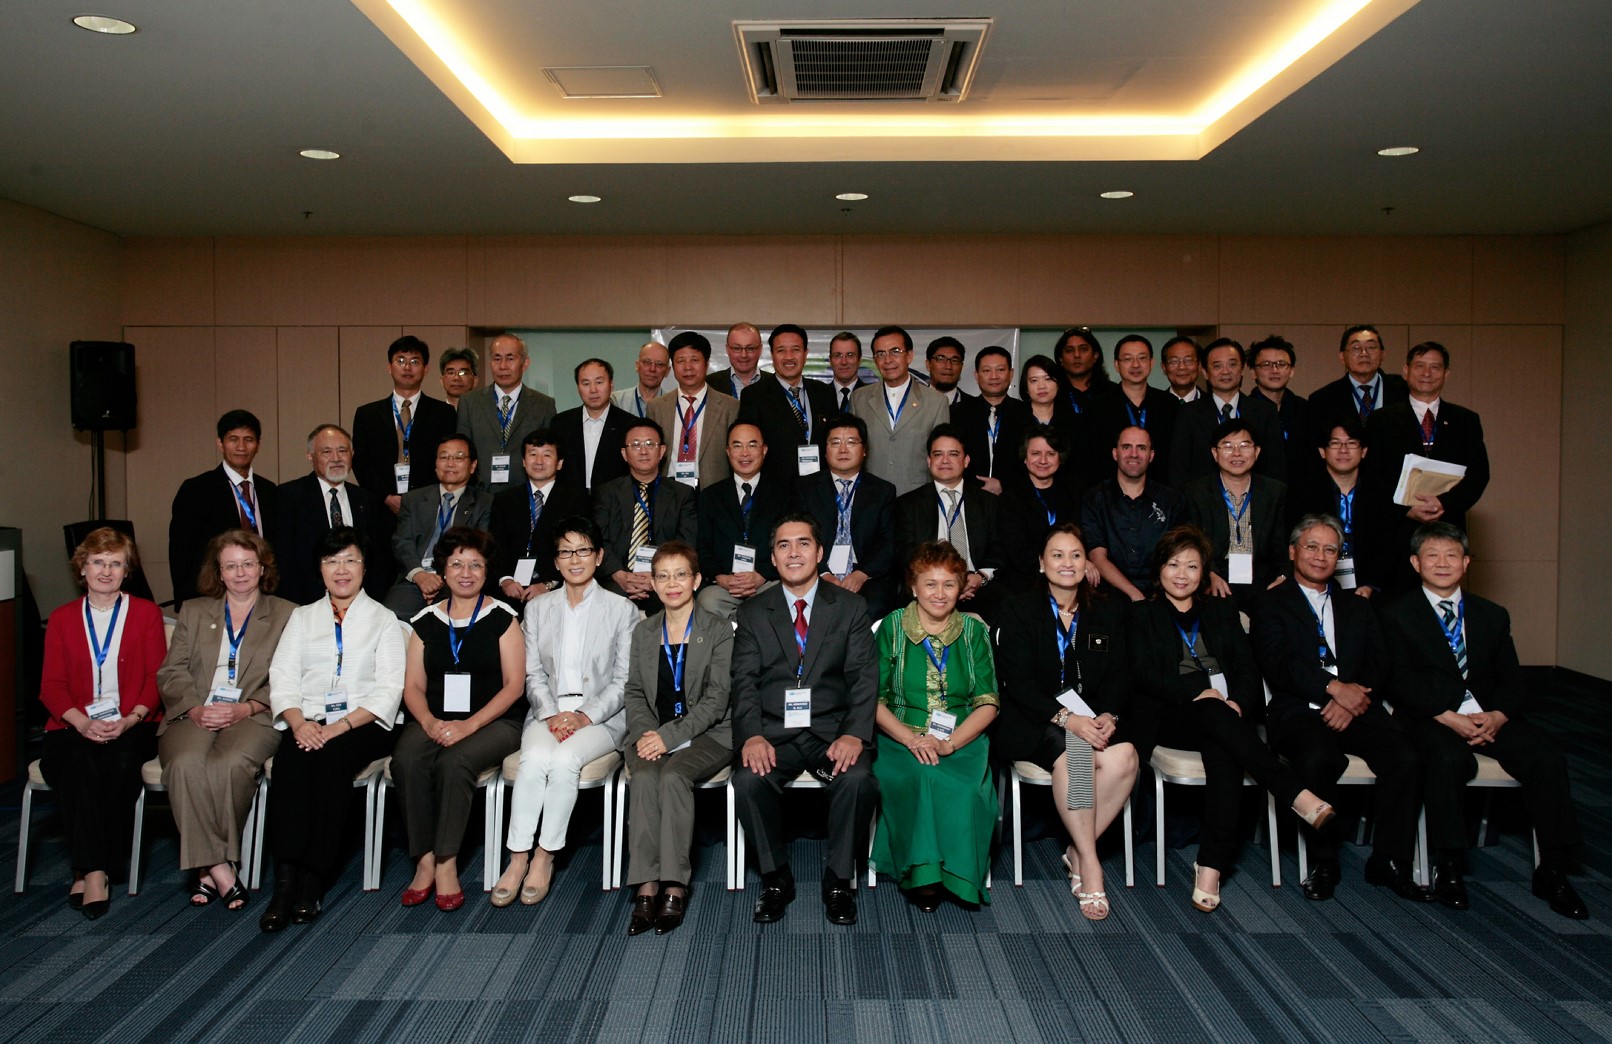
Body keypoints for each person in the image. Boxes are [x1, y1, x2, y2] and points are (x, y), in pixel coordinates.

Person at [1378, 523, 1587, 919]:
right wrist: (1446, 716)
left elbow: (1512, 679)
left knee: (1546, 760)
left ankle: (1554, 868)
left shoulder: (1492, 615)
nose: (1442, 563)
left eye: (1452, 555)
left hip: (1490, 717)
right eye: (1432, 555)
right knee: (1448, 761)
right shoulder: (1395, 615)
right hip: (1431, 717)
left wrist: (1498, 715)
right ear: (1415, 562)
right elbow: (1396, 678)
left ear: (1467, 562)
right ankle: (1450, 864)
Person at [1128, 525, 1335, 912]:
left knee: (1223, 751)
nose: (1181, 573)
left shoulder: (1222, 611)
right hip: (1171, 715)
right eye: (1173, 564)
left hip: (1225, 716)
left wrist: (1239, 701)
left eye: (1192, 566)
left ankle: (1211, 866)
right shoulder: (1141, 614)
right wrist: (1197, 693)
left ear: (1204, 573)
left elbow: (1246, 667)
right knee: (1212, 712)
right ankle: (1291, 790)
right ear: (1159, 569)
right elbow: (1142, 674)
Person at [1251, 515, 1431, 903]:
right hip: (1298, 709)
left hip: (1356, 706)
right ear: (1293, 550)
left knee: (1406, 757)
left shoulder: (1357, 605)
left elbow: (1379, 662)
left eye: (1330, 549)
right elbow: (1277, 662)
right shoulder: (1271, 603)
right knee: (1318, 758)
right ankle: (1323, 861)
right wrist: (1332, 688)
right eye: (1312, 547)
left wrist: (1351, 701)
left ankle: (1390, 859)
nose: (1320, 556)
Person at [731, 515, 879, 926]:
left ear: (819, 552)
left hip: (832, 730)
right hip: (773, 731)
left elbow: (864, 678)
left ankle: (837, 881)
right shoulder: (754, 611)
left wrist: (853, 734)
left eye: (802, 544)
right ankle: (776, 878)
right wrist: (752, 736)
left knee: (857, 779)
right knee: (747, 780)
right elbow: (743, 681)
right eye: (783, 545)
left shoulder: (850, 607)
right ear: (773, 558)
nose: (793, 552)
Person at [261, 527, 404, 931]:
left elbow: (389, 688)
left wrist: (339, 726)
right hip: (307, 720)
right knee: (291, 762)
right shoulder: (302, 618)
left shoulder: (384, 619)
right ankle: (284, 881)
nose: (341, 570)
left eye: (350, 560)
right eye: (331, 561)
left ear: (364, 566)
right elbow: (282, 676)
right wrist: (298, 722)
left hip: (363, 723)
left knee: (329, 763)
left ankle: (312, 879)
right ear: (320, 569)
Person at [993, 524, 1138, 920]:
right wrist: (1067, 719)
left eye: (1075, 555)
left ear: (1086, 563)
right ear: (1041, 563)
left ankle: (1075, 848)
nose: (1067, 563)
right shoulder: (1018, 608)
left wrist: (1109, 714)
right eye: (1057, 555)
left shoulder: (1106, 610)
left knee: (1125, 757)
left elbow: (1122, 673)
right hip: (1029, 719)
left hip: (1090, 718)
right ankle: (1090, 865)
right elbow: (1016, 682)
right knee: (1076, 752)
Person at [493, 517, 639, 905]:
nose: (575, 559)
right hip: (550, 710)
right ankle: (517, 856)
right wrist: (551, 711)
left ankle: (544, 856)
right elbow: (532, 672)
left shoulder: (621, 609)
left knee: (564, 761)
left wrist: (584, 716)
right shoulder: (539, 609)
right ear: (555, 562)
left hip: (602, 717)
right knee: (536, 756)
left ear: (600, 556)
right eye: (566, 552)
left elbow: (625, 680)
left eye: (584, 550)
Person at [157, 530, 293, 912]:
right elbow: (171, 672)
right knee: (185, 764)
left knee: (229, 764)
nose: (240, 573)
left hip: (254, 713)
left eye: (248, 564)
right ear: (217, 572)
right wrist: (195, 708)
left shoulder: (287, 613)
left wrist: (246, 708)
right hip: (194, 711)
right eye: (230, 566)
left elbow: (291, 676)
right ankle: (220, 865)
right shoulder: (194, 610)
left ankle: (207, 869)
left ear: (262, 567)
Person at [38, 527, 165, 920]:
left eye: (115, 563)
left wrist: (129, 720)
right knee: (76, 763)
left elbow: (155, 678)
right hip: (72, 723)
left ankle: (86, 867)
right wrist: (81, 722)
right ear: (83, 568)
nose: (106, 571)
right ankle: (96, 869)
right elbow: (51, 686)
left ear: (127, 571)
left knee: (120, 764)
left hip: (134, 722)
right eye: (98, 562)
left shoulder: (146, 613)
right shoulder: (62, 619)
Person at [395, 527, 525, 911]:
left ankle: (446, 862)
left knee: (455, 762)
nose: (465, 572)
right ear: (444, 570)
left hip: (494, 722)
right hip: (434, 717)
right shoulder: (425, 621)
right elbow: (413, 687)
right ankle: (423, 860)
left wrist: (469, 726)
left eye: (475, 565)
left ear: (486, 572)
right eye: (456, 564)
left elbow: (514, 687)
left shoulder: (504, 618)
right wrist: (430, 723)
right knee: (406, 759)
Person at [870, 541, 998, 910]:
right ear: (913, 587)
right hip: (899, 733)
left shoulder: (974, 632)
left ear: (961, 589)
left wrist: (950, 744)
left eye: (948, 584)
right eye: (930, 584)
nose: (939, 594)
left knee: (965, 789)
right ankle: (924, 876)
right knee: (923, 776)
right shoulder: (892, 628)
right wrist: (912, 739)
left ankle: (959, 875)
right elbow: (872, 701)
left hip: (961, 736)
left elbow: (988, 702)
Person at [621, 542, 734, 935]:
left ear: (697, 580)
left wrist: (668, 738)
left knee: (672, 777)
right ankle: (646, 885)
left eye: (681, 574)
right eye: (663, 576)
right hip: (649, 733)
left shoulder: (718, 630)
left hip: (708, 735)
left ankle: (674, 884)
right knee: (647, 777)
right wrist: (645, 735)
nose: (672, 584)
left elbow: (718, 699)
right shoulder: (644, 630)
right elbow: (634, 691)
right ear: (652, 583)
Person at [1363, 341, 1490, 594]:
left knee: (1442, 605)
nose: (1427, 373)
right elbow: (1371, 477)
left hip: (1448, 529)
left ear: (1446, 374)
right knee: (1398, 608)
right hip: (1396, 532)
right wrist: (1405, 510)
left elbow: (1479, 474)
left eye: (1435, 367)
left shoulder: (1466, 420)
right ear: (1406, 371)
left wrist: (1445, 504)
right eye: (1419, 366)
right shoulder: (1382, 420)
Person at [893, 424, 1004, 622]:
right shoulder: (908, 504)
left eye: (953, 454)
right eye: (938, 454)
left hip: (977, 585)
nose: (945, 460)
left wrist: (980, 577)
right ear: (929, 461)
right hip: (928, 587)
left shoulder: (988, 502)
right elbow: (904, 552)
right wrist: (941, 584)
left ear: (966, 460)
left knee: (1008, 610)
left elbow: (999, 547)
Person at [168, 409, 277, 608]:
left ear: (258, 445)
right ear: (220, 443)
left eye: (249, 439)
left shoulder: (270, 491)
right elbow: (181, 553)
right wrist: (186, 603)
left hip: (264, 597)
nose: (241, 447)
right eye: (233, 439)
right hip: (213, 598)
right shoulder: (196, 490)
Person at [796, 415, 900, 619]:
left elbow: (888, 542)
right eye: (835, 443)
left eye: (851, 442)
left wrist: (861, 574)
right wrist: (823, 572)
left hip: (867, 575)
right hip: (816, 572)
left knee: (873, 607)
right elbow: (800, 537)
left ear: (864, 450)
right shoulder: (805, 488)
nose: (843, 449)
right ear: (825, 451)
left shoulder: (882, 491)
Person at [273, 424, 390, 605]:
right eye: (326, 452)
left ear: (352, 454)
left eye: (342, 451)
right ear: (310, 456)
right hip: (304, 604)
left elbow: (378, 560)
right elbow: (283, 558)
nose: (336, 458)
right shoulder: (289, 496)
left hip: (360, 604)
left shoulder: (366, 500)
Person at [1182, 420, 1289, 615]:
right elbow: (1192, 543)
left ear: (1256, 452)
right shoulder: (1195, 492)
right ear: (1215, 453)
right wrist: (1209, 573)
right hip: (1215, 575)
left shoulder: (1274, 492)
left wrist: (1282, 576)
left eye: (1244, 446)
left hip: (1260, 577)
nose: (1237, 454)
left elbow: (1280, 545)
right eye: (1228, 446)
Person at [383, 433, 493, 619]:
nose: (450, 463)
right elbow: (402, 541)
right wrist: (420, 575)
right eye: (444, 457)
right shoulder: (413, 499)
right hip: (414, 580)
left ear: (472, 465)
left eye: (459, 457)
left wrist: (444, 577)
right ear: (435, 464)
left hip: (458, 581)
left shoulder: (485, 503)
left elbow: (480, 549)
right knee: (390, 619)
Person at [592, 418, 698, 609]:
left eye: (650, 444)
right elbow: (598, 540)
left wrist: (659, 576)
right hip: (617, 579)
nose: (643, 451)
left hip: (667, 578)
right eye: (635, 445)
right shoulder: (607, 493)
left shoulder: (682, 494)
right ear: (624, 454)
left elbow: (686, 543)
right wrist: (619, 575)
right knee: (609, 602)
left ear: (662, 451)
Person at [695, 422, 793, 620]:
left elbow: (789, 544)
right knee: (707, 601)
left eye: (752, 445)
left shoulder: (784, 494)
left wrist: (762, 574)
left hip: (768, 581)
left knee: (782, 599)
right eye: (737, 446)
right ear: (728, 451)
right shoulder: (711, 496)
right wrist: (721, 578)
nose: (745, 453)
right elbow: (702, 546)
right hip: (724, 587)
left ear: (764, 450)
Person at [351, 335, 457, 514]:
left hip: (429, 504)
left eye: (415, 361)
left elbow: (447, 460)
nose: (407, 367)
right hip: (379, 505)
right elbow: (361, 462)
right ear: (389, 367)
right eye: (400, 360)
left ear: (425, 369)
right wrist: (386, 496)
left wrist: (421, 496)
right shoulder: (367, 414)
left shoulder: (443, 413)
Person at [1081, 426, 1187, 600]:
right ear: (1115, 454)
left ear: (1151, 456)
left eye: (1142, 448)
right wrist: (1134, 594)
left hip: (1160, 595)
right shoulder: (1094, 499)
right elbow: (1098, 558)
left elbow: (1179, 555)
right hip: (1108, 597)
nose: (1134, 454)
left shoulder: (1173, 501)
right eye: (1126, 447)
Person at [489, 428, 591, 603]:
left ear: (559, 463)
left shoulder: (576, 500)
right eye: (533, 454)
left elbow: (581, 549)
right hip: (509, 589)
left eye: (547, 455)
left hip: (558, 588)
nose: (539, 461)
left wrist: (549, 584)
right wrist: (505, 580)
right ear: (523, 461)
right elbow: (495, 545)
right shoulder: (504, 499)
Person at [1169, 337, 1286, 488]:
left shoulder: (1265, 412)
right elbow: (1178, 468)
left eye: (1232, 364)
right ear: (1204, 372)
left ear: (1242, 368)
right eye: (1217, 366)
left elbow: (1275, 468)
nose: (1225, 371)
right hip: (1201, 504)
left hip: (1255, 502)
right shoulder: (1188, 413)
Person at [849, 325, 951, 496]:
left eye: (895, 351)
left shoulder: (936, 402)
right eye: (880, 354)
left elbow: (941, 458)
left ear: (909, 356)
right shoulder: (859, 398)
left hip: (918, 498)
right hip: (870, 498)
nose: (888, 360)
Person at [738, 323, 837, 493]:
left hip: (821, 491)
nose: (789, 357)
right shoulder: (754, 396)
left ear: (806, 354)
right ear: (772, 355)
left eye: (796, 350)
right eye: (781, 350)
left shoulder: (824, 392)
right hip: (775, 492)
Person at [1292, 420, 1387, 596]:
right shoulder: (1302, 494)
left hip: (1372, 588)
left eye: (1351, 443)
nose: (1343, 450)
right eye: (1335, 443)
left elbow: (1389, 548)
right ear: (1322, 451)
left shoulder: (1382, 494)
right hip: (1316, 585)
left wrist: (1371, 586)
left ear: (1364, 451)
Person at [457, 333, 559, 494]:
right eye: (497, 358)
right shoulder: (470, 402)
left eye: (510, 359)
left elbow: (549, 454)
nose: (503, 366)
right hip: (479, 496)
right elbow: (462, 452)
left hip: (525, 496)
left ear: (525, 363)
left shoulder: (543, 404)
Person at [646, 331, 740, 491]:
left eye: (694, 360)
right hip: (667, 490)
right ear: (672, 366)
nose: (688, 367)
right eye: (680, 361)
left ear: (706, 363)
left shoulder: (729, 406)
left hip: (712, 491)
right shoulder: (657, 406)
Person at [997, 426, 1086, 594]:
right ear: (1025, 457)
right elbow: (1017, 553)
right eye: (1036, 453)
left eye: (1051, 454)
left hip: (1072, 575)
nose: (1043, 460)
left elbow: (1083, 537)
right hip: (1027, 582)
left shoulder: (1075, 492)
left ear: (1060, 458)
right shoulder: (1010, 498)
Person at [1089, 334, 1177, 482]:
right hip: (1111, 492)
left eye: (1142, 358)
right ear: (1117, 365)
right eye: (1128, 359)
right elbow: (1092, 456)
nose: (1135, 365)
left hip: (1161, 491)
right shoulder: (1097, 406)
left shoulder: (1169, 404)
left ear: (1151, 362)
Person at [1306, 324, 1410, 439]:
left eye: (1371, 347)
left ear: (1382, 354)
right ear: (1342, 357)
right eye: (1356, 348)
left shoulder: (1404, 391)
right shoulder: (1322, 400)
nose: (1364, 353)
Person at [953, 345, 1030, 495]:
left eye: (1000, 370)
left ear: (1011, 373)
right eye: (987, 370)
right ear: (976, 375)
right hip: (968, 498)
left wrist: (1005, 485)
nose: (994, 376)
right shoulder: (958, 413)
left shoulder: (1025, 413)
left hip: (1015, 500)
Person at [553, 357, 635, 495]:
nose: (593, 390)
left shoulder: (629, 424)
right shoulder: (560, 423)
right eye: (586, 383)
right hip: (570, 502)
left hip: (615, 502)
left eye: (599, 382)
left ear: (611, 384)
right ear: (578, 387)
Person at [1017, 354, 1085, 489]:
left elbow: (1082, 465)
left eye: (1048, 379)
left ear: (1058, 383)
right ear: (1026, 387)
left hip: (1067, 494)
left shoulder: (1074, 422)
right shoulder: (1013, 420)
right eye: (1034, 380)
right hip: (1021, 494)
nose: (1041, 386)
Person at [1247, 335, 1311, 458]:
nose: (1275, 370)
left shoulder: (1304, 409)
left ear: (1292, 371)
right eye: (1266, 364)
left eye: (1281, 364)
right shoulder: (1243, 410)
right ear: (1253, 372)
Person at [706, 322, 767, 400]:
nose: (744, 355)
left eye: (750, 348)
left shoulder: (776, 385)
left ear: (760, 350)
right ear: (727, 349)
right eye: (737, 348)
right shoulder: (709, 384)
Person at [613, 340, 672, 418]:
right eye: (647, 362)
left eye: (659, 364)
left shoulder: (673, 404)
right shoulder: (616, 401)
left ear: (667, 371)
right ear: (637, 366)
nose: (652, 369)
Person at [822, 331, 869, 413]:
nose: (844, 362)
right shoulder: (818, 398)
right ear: (830, 360)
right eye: (838, 355)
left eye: (850, 355)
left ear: (859, 360)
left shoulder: (872, 396)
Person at [923, 336, 973, 406]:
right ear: (928, 364)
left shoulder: (976, 406)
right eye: (941, 359)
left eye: (954, 360)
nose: (948, 366)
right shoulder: (911, 403)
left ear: (961, 366)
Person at [1161, 336, 1203, 404]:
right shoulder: (1153, 405)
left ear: (1199, 366)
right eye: (1174, 361)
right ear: (1164, 367)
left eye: (1188, 360)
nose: (1182, 367)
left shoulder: (1214, 406)